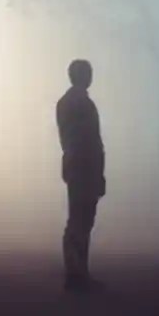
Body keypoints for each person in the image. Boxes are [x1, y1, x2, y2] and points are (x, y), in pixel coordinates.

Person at [55, 59, 106, 292]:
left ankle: (77, 273)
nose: (90, 76)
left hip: (77, 166)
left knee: (80, 219)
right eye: (88, 72)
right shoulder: (81, 103)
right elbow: (89, 140)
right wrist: (97, 171)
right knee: (81, 220)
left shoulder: (67, 102)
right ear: (80, 75)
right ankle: (76, 275)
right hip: (84, 166)